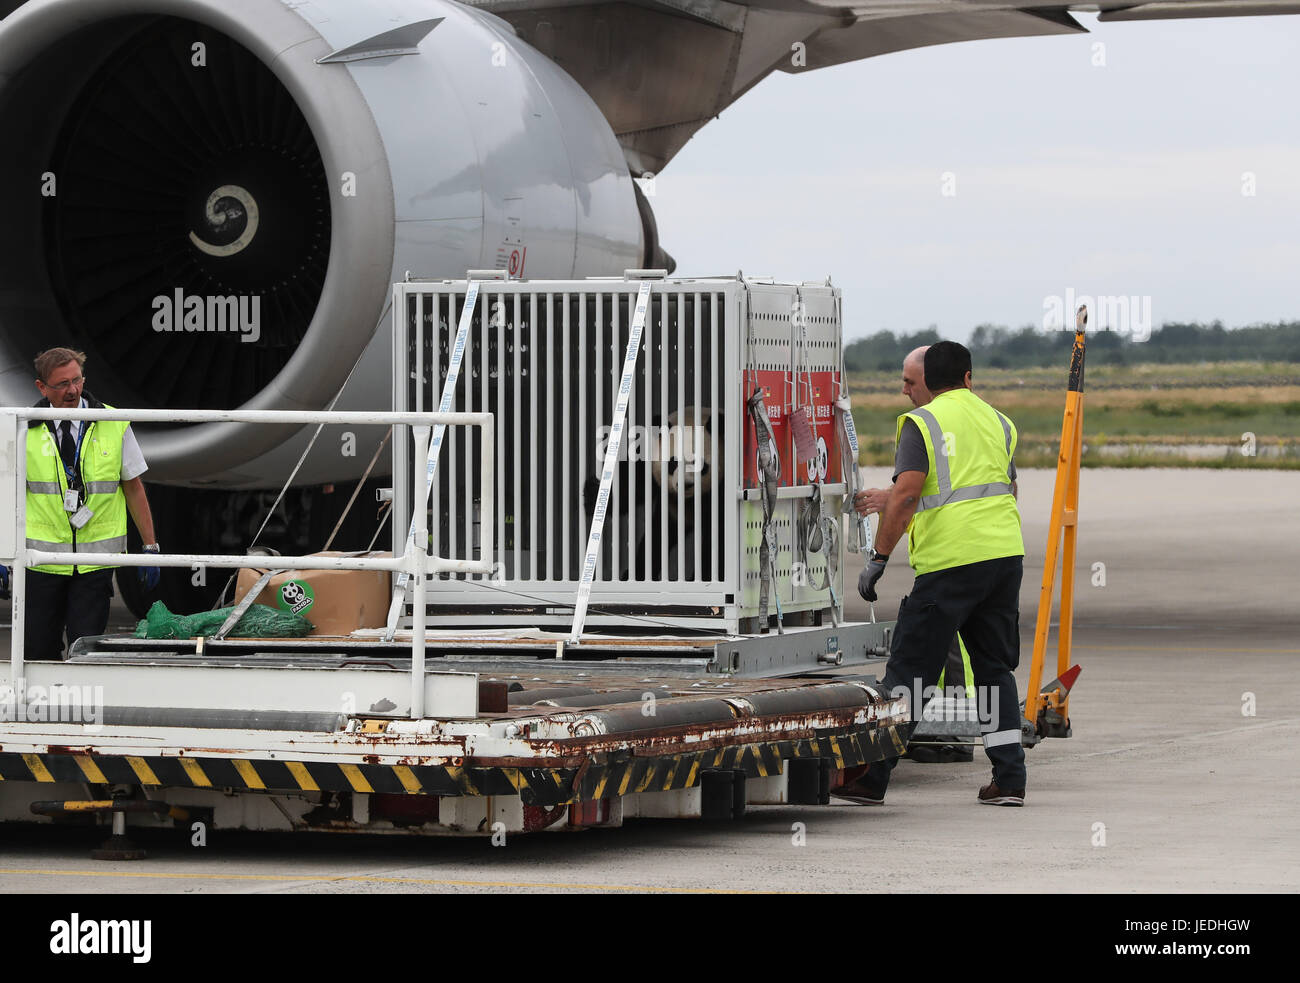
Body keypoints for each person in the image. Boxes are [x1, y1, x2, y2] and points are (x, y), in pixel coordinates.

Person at [838, 341, 1027, 806]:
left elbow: (908, 496)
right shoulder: (1000, 422)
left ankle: (871, 777)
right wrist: (903, 499)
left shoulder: (920, 424)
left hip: (950, 565)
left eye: (909, 382)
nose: (905, 391)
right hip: (1003, 557)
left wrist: (878, 557)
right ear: (968, 378)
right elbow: (997, 487)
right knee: (994, 669)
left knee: (909, 672)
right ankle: (1009, 780)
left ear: (929, 382)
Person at [24, 348, 160, 660]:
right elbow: (8, 494)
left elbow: (134, 488)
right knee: (36, 650)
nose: (72, 390)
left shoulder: (113, 423)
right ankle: (44, 709)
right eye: (61, 385)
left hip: (95, 563)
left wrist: (150, 545)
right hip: (42, 560)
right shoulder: (22, 429)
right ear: (41, 388)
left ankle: (78, 709)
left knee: (85, 652)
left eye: (77, 381)